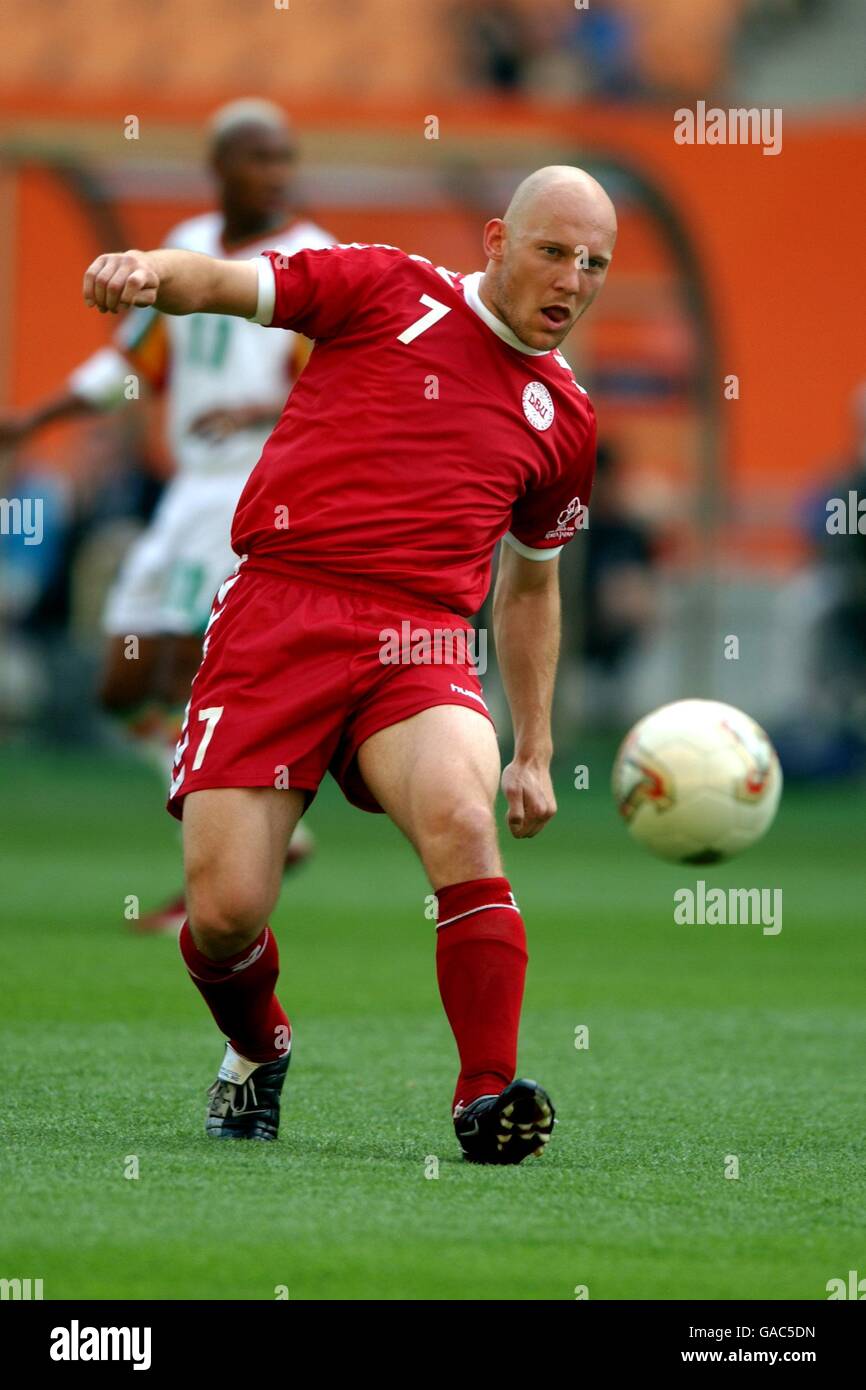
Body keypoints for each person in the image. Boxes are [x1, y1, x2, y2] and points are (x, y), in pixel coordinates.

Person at [82, 164, 617, 1164]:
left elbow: (532, 587)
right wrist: (146, 268)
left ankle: (485, 1094)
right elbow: (228, 285)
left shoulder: (565, 420)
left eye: (593, 263)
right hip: (278, 613)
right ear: (497, 241)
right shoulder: (383, 288)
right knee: (225, 913)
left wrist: (534, 748)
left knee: (462, 820)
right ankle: (258, 1045)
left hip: (419, 642)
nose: (572, 280)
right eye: (553, 251)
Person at [2, 98, 331, 930]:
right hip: (189, 488)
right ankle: (264, 844)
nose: (278, 174)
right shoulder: (182, 250)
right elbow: (132, 363)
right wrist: (36, 420)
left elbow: (340, 381)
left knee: (195, 670)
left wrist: (260, 410)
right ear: (220, 167)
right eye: (261, 158)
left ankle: (220, 883)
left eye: (287, 158)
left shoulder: (313, 259)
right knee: (123, 681)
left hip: (260, 488)